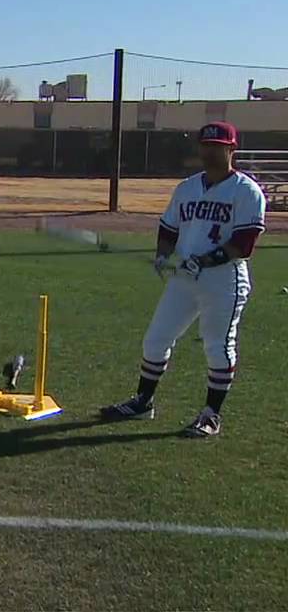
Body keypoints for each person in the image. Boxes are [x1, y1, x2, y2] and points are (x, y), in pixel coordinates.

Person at [101, 121, 266, 437]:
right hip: (185, 280)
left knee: (218, 346)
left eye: (217, 147)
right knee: (155, 339)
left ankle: (211, 415)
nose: (209, 152)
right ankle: (143, 401)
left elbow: (244, 244)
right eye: (205, 146)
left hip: (224, 280)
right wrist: (163, 255)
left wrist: (205, 260)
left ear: (232, 149)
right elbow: (169, 229)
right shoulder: (187, 187)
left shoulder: (245, 191)